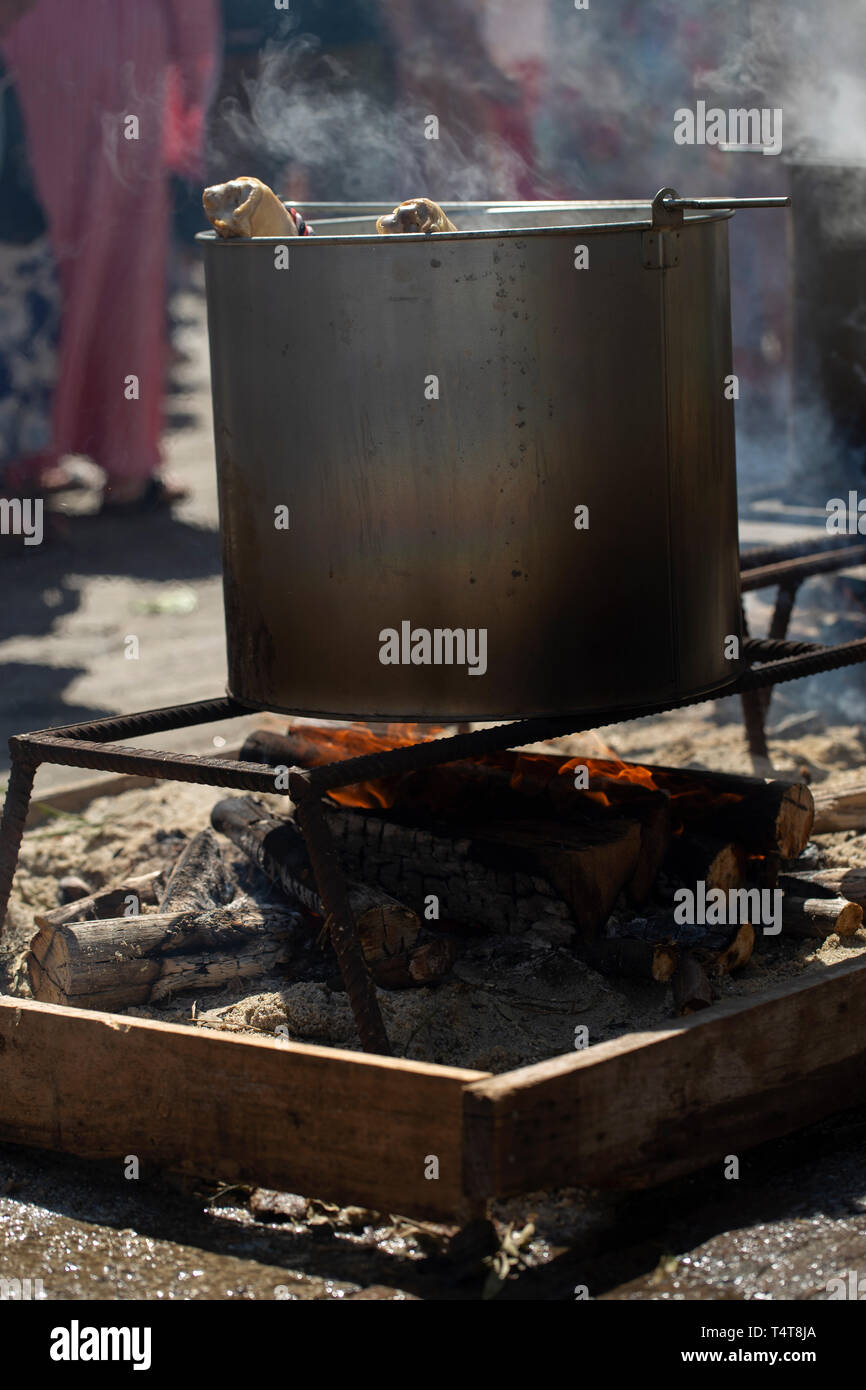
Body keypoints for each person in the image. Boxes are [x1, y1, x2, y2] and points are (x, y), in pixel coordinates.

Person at [2, 0, 220, 513]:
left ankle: (25, 453)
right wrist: (194, 73)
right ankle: (125, 464)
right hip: (121, 52)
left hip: (27, 38)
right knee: (123, 257)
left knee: (36, 238)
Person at [0, 0, 58, 506]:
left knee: (26, 367)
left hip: (20, 240)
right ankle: (13, 515)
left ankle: (20, 500)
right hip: (10, 246)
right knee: (12, 374)